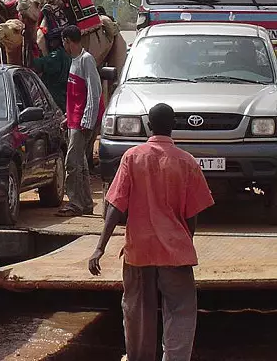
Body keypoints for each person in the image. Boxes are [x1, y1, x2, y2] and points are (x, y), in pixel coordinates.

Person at [89, 103, 214, 361]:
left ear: (148, 125)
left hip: (139, 250)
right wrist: (183, 242)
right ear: (174, 126)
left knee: (137, 311)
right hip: (175, 251)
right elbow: (193, 216)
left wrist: (100, 247)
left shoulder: (132, 157)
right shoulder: (187, 162)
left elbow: (115, 206)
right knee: (180, 311)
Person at [56, 25, 103, 217]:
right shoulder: (74, 61)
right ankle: (85, 203)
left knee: (72, 163)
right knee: (81, 164)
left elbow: (94, 92)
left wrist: (87, 120)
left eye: (64, 42)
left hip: (82, 122)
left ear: (67, 41)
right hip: (74, 120)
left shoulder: (86, 60)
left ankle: (75, 202)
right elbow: (77, 95)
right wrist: (68, 117)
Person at [31, 33, 72, 111]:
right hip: (63, 95)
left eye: (53, 41)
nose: (50, 43)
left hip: (55, 96)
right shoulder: (66, 55)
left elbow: (38, 64)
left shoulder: (56, 57)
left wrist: (30, 52)